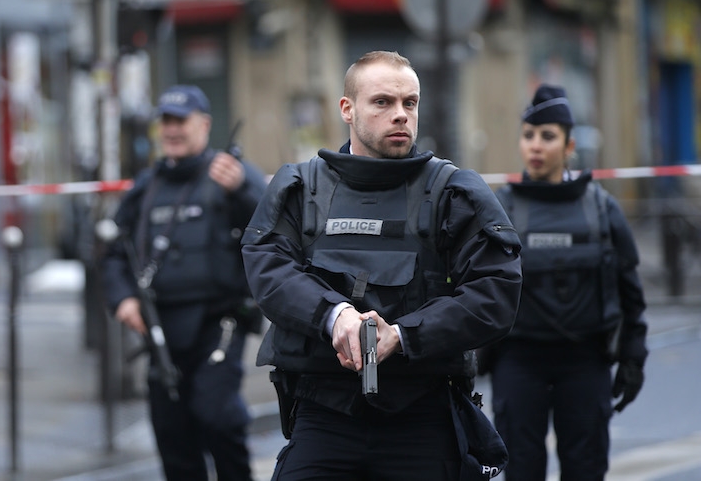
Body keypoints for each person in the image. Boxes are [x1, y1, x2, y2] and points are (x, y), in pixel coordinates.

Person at [240, 51, 523, 480]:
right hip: (324, 414)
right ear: (347, 109)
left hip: (422, 415)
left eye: (410, 103)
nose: (400, 115)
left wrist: (404, 336)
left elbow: (495, 293)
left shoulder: (452, 193)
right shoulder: (301, 188)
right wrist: (334, 317)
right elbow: (268, 267)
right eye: (382, 102)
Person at [102, 84, 268, 481]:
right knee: (172, 433)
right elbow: (112, 252)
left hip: (219, 321)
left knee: (217, 415)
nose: (172, 130)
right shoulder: (146, 187)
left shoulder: (230, 175)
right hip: (160, 329)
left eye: (181, 121)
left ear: (205, 125)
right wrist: (123, 298)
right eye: (166, 122)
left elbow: (273, 224)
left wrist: (244, 187)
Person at [484, 84, 648, 481]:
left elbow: (630, 291)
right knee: (521, 469)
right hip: (519, 361)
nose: (535, 146)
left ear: (569, 144)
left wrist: (633, 357)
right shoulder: (500, 209)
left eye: (548, 136)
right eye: (528, 136)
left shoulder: (600, 207)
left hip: (585, 361)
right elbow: (479, 290)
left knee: (586, 468)